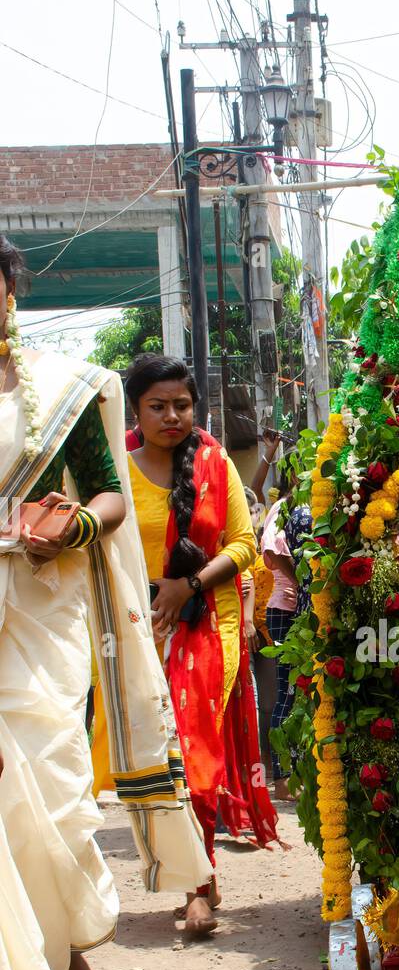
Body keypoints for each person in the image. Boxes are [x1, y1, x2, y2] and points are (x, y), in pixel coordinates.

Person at [0, 239, 211, 970]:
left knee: (45, 803)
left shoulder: (65, 390)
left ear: (10, 293)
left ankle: (52, 962)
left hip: (40, 621)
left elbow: (110, 492)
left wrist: (69, 529)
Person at [95, 355, 281, 931]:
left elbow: (245, 545)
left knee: (194, 756)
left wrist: (188, 586)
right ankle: (196, 875)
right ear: (135, 411)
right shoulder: (115, 473)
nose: (172, 415)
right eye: (158, 406)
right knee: (159, 763)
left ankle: (197, 889)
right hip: (139, 628)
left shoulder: (214, 464)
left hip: (207, 620)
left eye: (182, 404)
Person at [261, 468, 311, 800]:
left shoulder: (305, 504)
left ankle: (293, 775)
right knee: (286, 693)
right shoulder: (283, 508)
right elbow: (269, 554)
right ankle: (281, 779)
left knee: (296, 695)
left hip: (296, 608)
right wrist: (299, 579)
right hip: (283, 609)